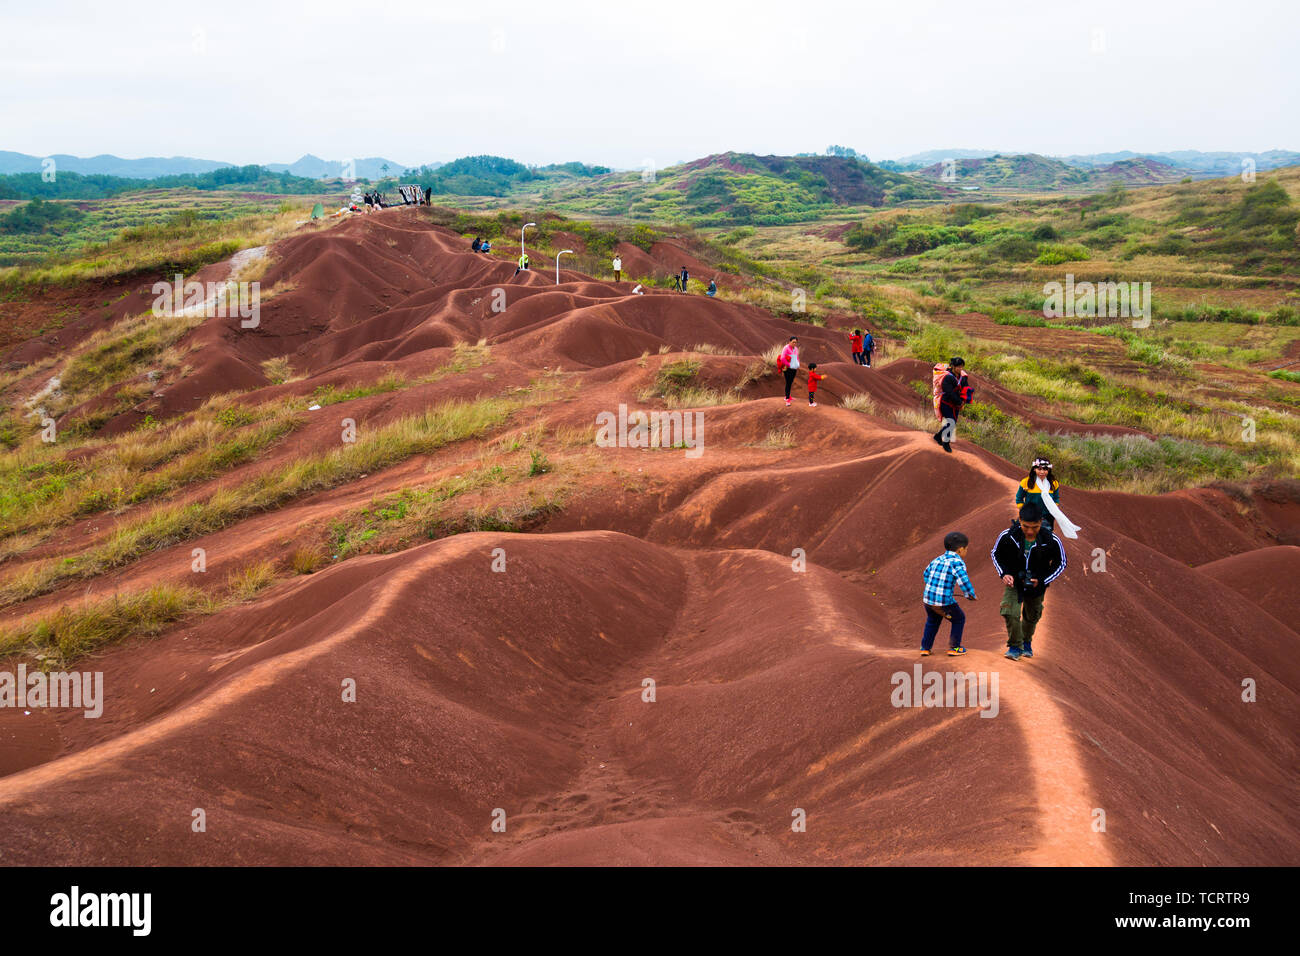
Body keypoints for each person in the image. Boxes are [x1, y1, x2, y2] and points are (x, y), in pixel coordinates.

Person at [990, 503, 1066, 661]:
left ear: (1041, 522)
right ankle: (1015, 646)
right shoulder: (1008, 536)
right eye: (1025, 526)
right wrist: (1004, 573)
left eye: (1035, 527)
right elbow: (996, 554)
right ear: (1019, 520)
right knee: (1009, 612)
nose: (1030, 531)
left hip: (1037, 586)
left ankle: (1026, 642)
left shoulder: (1051, 540)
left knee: (1032, 616)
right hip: (1014, 582)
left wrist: (1042, 580)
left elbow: (1061, 563)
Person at [921, 532, 978, 656]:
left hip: (928, 599)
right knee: (959, 619)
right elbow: (963, 580)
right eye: (966, 549)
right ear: (960, 549)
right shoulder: (957, 562)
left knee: (932, 621)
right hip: (944, 602)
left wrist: (934, 587)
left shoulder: (937, 559)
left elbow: (926, 574)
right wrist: (970, 594)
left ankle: (925, 648)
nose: (966, 551)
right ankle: (955, 647)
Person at [932, 356, 968, 454]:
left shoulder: (962, 377)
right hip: (946, 402)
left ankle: (938, 436)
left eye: (962, 366)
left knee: (952, 422)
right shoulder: (947, 377)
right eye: (958, 367)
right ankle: (946, 443)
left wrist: (964, 400)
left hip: (956, 403)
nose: (960, 369)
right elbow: (949, 392)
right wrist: (959, 402)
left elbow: (966, 388)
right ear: (953, 367)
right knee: (951, 422)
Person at [776, 336, 800, 407]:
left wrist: (798, 364)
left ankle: (788, 396)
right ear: (789, 342)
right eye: (793, 342)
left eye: (795, 342)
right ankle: (787, 399)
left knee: (791, 381)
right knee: (788, 382)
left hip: (794, 368)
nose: (794, 343)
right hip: (788, 368)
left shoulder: (796, 349)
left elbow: (797, 357)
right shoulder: (786, 348)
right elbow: (782, 358)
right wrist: (789, 365)